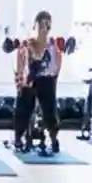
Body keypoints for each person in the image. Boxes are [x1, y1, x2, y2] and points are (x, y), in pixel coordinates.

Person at [12, 11, 63, 153]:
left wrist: (54, 77)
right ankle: (18, 138)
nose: (45, 27)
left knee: (50, 111)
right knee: (23, 110)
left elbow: (58, 61)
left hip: (47, 79)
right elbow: (20, 62)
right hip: (29, 81)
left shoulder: (53, 44)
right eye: (42, 24)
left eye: (48, 24)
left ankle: (53, 138)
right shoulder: (27, 44)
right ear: (36, 25)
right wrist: (20, 80)